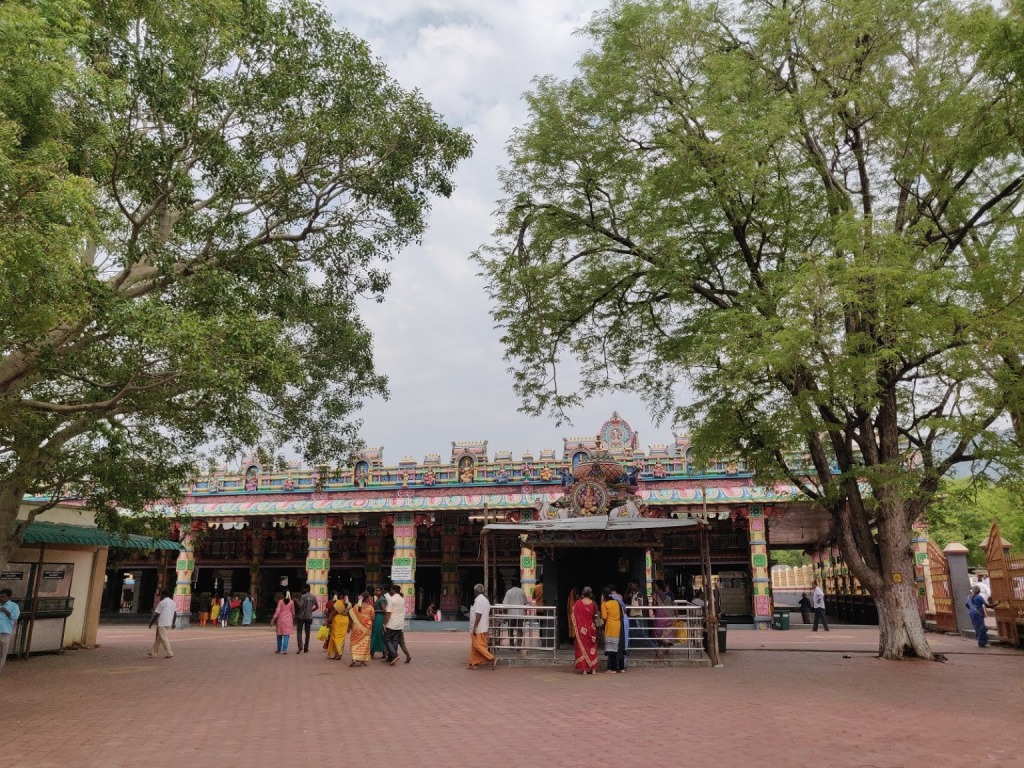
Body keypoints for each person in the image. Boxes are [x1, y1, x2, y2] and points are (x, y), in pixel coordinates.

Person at [467, 583, 497, 670]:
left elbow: (478, 614)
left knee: (477, 645)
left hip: (479, 628)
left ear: (476, 591)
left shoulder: (479, 600)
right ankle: (473, 663)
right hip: (484, 626)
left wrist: (475, 627)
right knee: (475, 645)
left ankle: (492, 658)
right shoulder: (485, 600)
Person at [570, 586, 598, 674]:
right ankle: (593, 669)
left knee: (582, 649)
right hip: (592, 629)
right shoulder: (593, 603)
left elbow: (573, 614)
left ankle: (584, 670)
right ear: (590, 594)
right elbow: (597, 615)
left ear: (582, 593)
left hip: (581, 630)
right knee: (592, 648)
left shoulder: (578, 603)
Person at [383, 585, 412, 666]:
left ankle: (394, 655)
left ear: (393, 590)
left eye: (391, 590)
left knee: (386, 639)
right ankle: (392, 657)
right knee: (395, 641)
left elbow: (388, 613)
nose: (390, 591)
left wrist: (385, 624)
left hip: (392, 623)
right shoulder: (402, 599)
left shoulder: (391, 600)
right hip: (400, 624)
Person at [601, 586, 627, 673]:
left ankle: (612, 669)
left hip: (611, 627)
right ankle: (621, 667)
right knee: (619, 647)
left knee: (612, 649)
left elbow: (604, 617)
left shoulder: (605, 604)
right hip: (619, 626)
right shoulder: (617, 602)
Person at [147, 590, 176, 659]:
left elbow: (157, 614)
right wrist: (173, 623)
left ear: (164, 595)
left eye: (161, 595)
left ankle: (170, 653)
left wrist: (151, 623)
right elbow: (175, 614)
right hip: (169, 622)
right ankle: (153, 652)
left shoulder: (162, 602)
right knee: (158, 639)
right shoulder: (173, 602)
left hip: (162, 622)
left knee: (164, 638)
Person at [349, 592, 374, 666]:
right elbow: (372, 618)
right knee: (364, 644)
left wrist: (349, 626)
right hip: (366, 628)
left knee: (354, 642)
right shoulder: (370, 607)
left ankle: (354, 658)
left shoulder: (356, 606)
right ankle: (362, 660)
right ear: (367, 599)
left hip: (356, 627)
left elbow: (351, 616)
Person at [0, 588, 22, 672]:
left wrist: (5, 611)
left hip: (5, 631)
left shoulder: (14, 606)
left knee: (3, 651)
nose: (1, 598)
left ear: (9, 597)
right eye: (0, 596)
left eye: (3, 596)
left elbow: (15, 617)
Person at [501, 578, 528, 647]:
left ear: (512, 584)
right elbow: (525, 603)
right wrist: (526, 614)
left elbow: (505, 605)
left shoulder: (509, 592)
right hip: (520, 614)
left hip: (511, 614)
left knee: (510, 630)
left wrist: (504, 615)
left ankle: (511, 644)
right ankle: (519, 644)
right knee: (519, 630)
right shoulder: (522, 592)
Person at [652, 579, 676, 656]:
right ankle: (667, 649)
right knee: (668, 631)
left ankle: (661, 648)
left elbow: (654, 605)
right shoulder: (668, 595)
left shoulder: (656, 595)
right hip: (669, 615)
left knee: (658, 631)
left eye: (655, 585)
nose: (653, 586)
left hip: (660, 615)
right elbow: (673, 604)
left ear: (657, 586)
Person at [324, 593, 350, 660]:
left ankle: (338, 652)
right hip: (345, 621)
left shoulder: (338, 603)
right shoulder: (349, 604)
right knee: (342, 638)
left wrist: (327, 621)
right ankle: (337, 653)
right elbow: (350, 615)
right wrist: (350, 626)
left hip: (337, 621)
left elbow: (333, 612)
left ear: (341, 596)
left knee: (335, 637)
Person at [294, 585, 318, 654]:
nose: (302, 589)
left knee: (299, 632)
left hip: (301, 616)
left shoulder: (303, 596)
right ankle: (306, 648)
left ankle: (300, 647)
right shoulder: (313, 596)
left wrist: (296, 601)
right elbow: (317, 607)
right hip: (309, 617)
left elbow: (299, 606)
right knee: (307, 633)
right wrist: (311, 610)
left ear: (306, 589)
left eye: (303, 588)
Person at [370, 586, 387, 658]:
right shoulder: (378, 598)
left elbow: (384, 610)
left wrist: (374, 611)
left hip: (379, 618)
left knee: (376, 634)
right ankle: (382, 652)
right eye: (376, 590)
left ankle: (372, 652)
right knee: (377, 635)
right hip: (377, 618)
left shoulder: (382, 599)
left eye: (378, 590)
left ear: (382, 591)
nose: (376, 592)